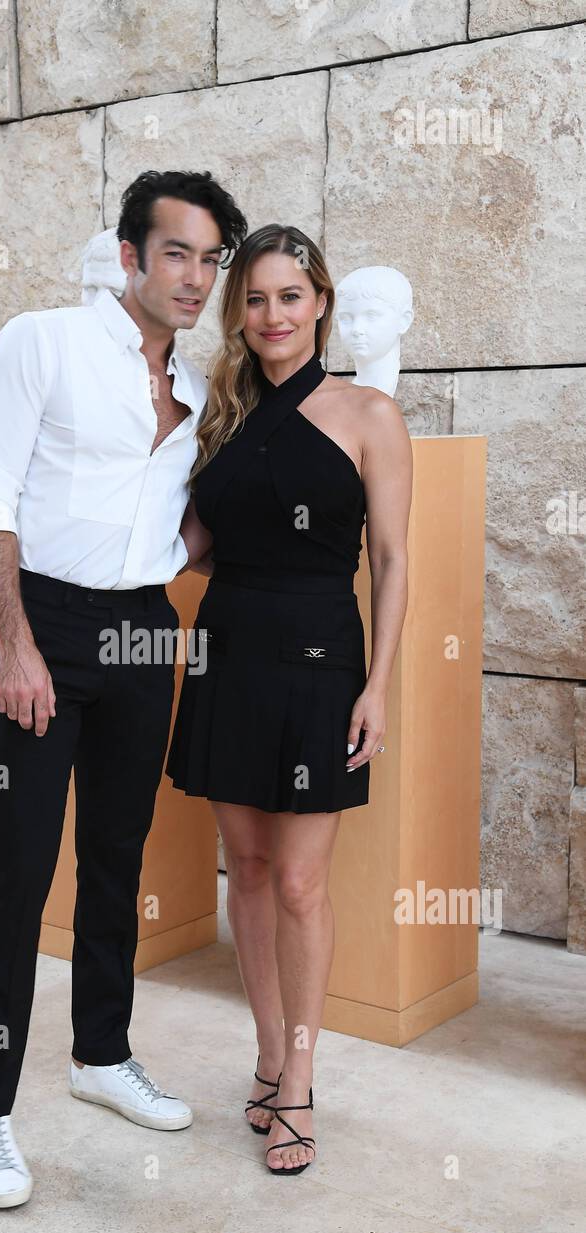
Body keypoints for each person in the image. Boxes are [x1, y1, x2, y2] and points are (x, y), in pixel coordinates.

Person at [0, 170, 248, 1207]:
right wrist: (13, 645)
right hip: (43, 618)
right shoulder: (43, 340)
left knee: (116, 856)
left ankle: (99, 1053)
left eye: (210, 259)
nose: (195, 278)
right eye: (176, 253)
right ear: (128, 255)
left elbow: (181, 529)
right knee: (18, 867)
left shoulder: (202, 383)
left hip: (139, 626)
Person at [165, 224, 413, 1175]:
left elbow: (390, 563)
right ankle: (267, 1053)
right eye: (256, 299)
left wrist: (378, 687)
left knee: (303, 882)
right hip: (228, 648)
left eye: (290, 297)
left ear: (320, 305)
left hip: (321, 659)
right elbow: (192, 544)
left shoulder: (368, 414)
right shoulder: (219, 415)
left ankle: (302, 1078)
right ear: (242, 313)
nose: (274, 315)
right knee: (250, 869)